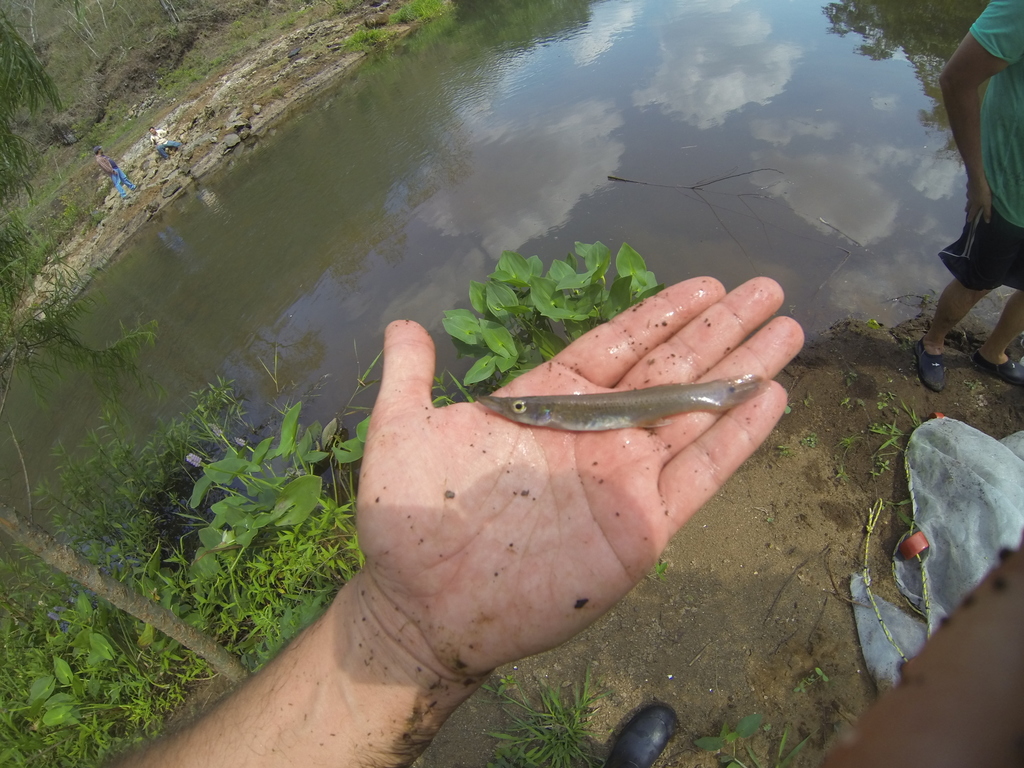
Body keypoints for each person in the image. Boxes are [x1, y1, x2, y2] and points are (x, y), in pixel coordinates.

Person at [109, 277, 1024, 768]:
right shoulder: (537, 416)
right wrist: (405, 635)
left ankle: (726, 394)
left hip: (678, 397)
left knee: (714, 393)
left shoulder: (562, 410)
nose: (517, 416)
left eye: (522, 417)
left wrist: (400, 644)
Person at [916, 0, 1024, 392]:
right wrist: (977, 178)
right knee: (978, 281)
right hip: (1008, 191)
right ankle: (932, 342)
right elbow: (956, 79)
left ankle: (993, 353)